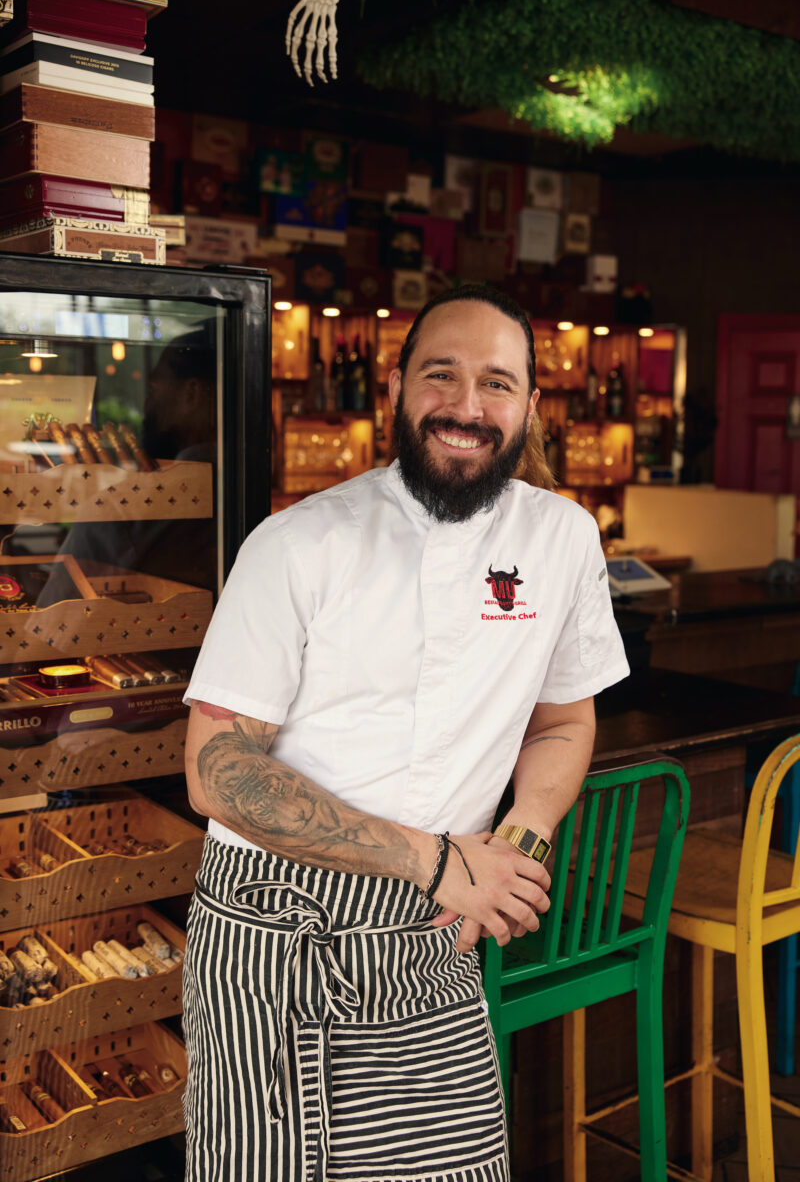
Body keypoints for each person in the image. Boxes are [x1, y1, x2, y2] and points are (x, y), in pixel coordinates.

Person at [181, 283, 629, 1182]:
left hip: (437, 932)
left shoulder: (564, 539)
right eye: (440, 375)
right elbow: (215, 771)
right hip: (277, 937)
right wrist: (436, 861)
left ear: (532, 405)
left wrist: (520, 840)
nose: (467, 406)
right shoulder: (298, 542)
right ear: (395, 387)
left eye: (496, 383)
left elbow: (564, 720)